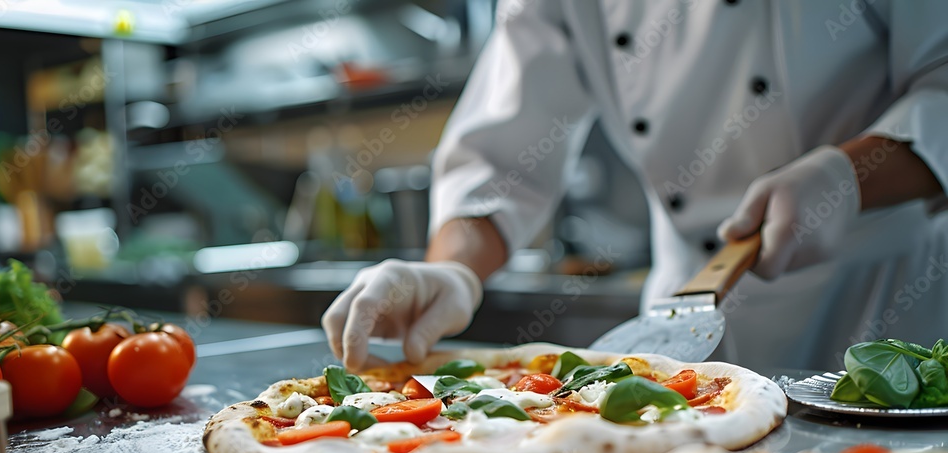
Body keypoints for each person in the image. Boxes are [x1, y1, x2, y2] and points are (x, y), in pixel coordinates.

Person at [323, 0, 948, 372]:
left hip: (884, 305)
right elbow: (502, 154)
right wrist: (451, 272)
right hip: (683, 325)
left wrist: (852, 175)